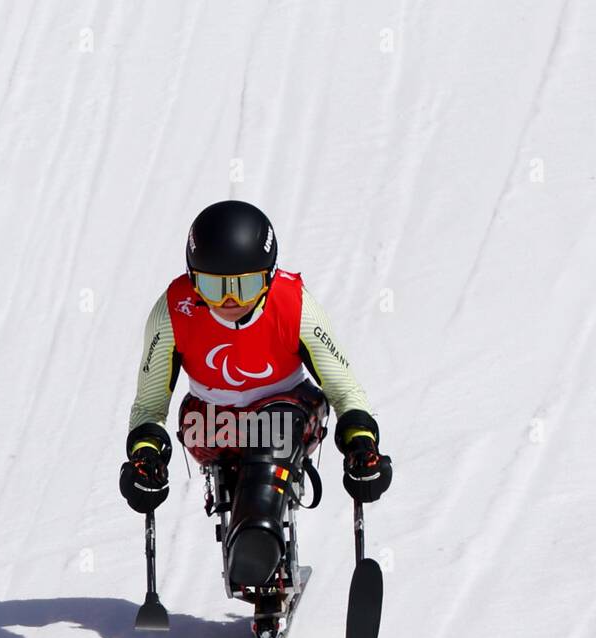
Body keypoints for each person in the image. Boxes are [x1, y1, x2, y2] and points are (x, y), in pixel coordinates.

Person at [119, 200, 392, 587]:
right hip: (211, 419)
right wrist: (146, 456)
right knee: (224, 428)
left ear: (269, 275)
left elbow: (343, 386)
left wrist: (361, 444)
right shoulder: (174, 312)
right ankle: (252, 540)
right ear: (193, 280)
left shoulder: (293, 305)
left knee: (275, 428)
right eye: (214, 288)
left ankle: (257, 539)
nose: (230, 301)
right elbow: (149, 404)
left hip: (288, 409)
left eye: (245, 286)